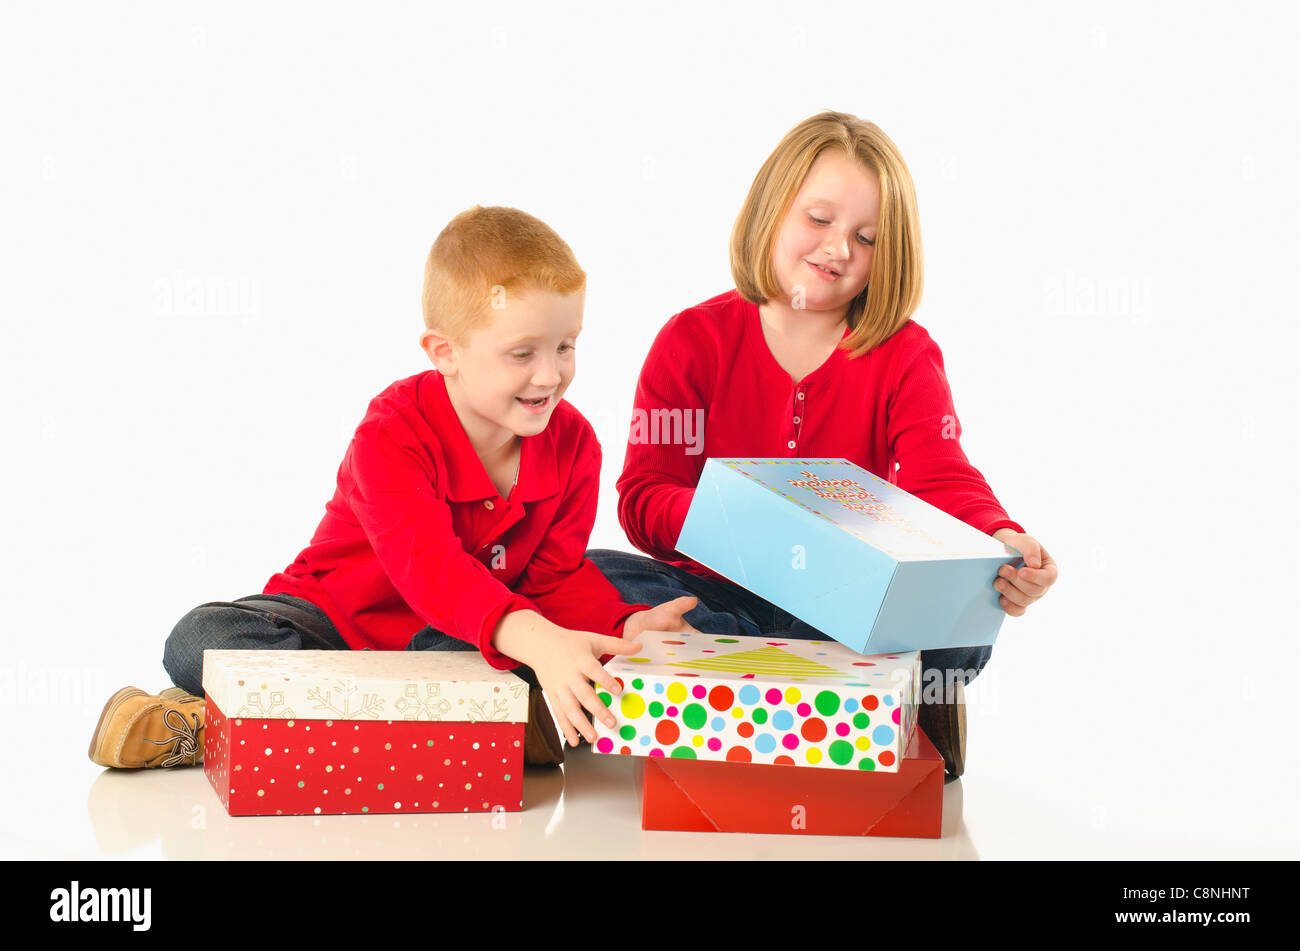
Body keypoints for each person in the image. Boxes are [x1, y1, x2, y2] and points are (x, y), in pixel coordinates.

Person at [88, 205, 697, 771]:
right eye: (521, 353)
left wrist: (626, 625)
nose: (551, 373)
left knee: (510, 669)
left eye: (566, 346)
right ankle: (426, 724)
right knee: (202, 638)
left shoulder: (574, 444)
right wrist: (538, 641)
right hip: (329, 622)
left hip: (451, 639)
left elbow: (554, 579)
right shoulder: (393, 430)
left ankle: (252, 723)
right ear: (446, 352)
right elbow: (429, 570)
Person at [587, 112, 1059, 778]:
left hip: (851, 609)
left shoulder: (903, 354)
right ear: (772, 208)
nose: (838, 249)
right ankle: (825, 689)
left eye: (866, 238)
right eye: (819, 219)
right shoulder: (694, 340)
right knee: (589, 573)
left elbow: (941, 475)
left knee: (961, 629)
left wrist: (1001, 536)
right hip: (725, 600)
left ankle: (757, 674)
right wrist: (742, 523)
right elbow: (643, 500)